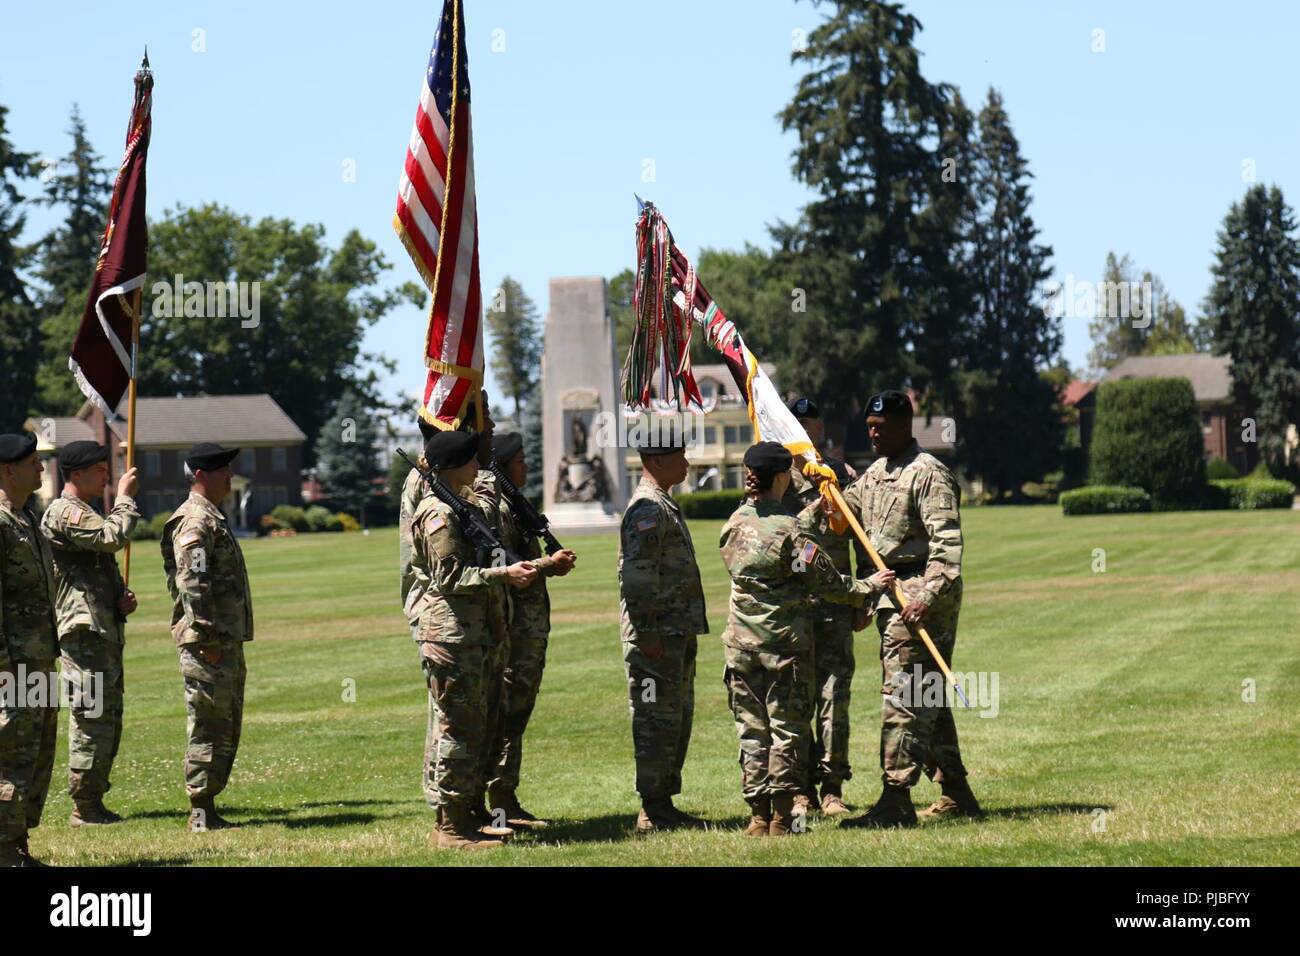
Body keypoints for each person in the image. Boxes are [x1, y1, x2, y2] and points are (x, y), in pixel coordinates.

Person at [720, 441, 893, 837]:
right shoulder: (792, 532)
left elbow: (770, 540)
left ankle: (757, 815)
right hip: (784, 648)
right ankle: (783, 817)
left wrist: (816, 511)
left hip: (741, 647)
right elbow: (829, 583)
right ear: (783, 476)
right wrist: (871, 585)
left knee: (751, 729)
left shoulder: (733, 524)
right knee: (786, 728)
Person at [839, 390, 981, 828]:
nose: (873, 434)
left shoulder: (928, 474)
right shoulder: (876, 474)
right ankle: (955, 790)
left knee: (905, 693)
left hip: (920, 592)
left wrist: (927, 596)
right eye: (869, 427)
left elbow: (947, 547)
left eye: (881, 427)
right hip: (890, 590)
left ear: (906, 425)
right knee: (927, 691)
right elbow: (846, 513)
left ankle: (895, 798)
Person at [407, 429, 537, 850]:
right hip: (451, 636)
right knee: (457, 731)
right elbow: (450, 576)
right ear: (457, 465)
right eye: (473, 462)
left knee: (477, 728)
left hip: (473, 634)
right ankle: (449, 827)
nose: (479, 468)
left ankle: (466, 817)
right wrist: (504, 574)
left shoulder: (457, 504)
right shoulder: (437, 514)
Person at [40, 441, 140, 826]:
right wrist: (126, 499)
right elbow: (111, 537)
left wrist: (120, 597)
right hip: (81, 631)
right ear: (76, 474)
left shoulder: (86, 511)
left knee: (108, 714)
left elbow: (100, 562)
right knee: (91, 713)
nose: (107, 476)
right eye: (99, 470)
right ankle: (84, 804)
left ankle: (94, 798)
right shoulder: (65, 512)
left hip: (101, 627)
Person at [618, 429, 708, 833]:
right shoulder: (647, 510)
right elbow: (636, 579)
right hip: (657, 637)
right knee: (655, 719)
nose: (686, 463)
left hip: (675, 632)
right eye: (679, 456)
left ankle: (664, 803)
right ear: (655, 461)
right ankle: (652, 808)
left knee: (675, 717)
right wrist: (648, 632)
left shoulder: (661, 504)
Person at [485, 432, 576, 828]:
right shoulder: (498, 511)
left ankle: (507, 799)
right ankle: (497, 801)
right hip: (514, 629)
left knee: (518, 714)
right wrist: (546, 565)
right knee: (506, 716)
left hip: (530, 629)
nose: (527, 465)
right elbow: (505, 568)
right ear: (504, 467)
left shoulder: (517, 506)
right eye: (520, 460)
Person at [160, 442, 253, 832]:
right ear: (200, 476)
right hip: (207, 644)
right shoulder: (195, 522)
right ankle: (200, 811)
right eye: (222, 470)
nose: (230, 475)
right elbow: (193, 584)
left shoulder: (212, 517)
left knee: (225, 725)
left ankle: (208, 807)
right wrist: (206, 638)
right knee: (207, 726)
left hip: (222, 640)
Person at [782, 397, 859, 816]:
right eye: (795, 422)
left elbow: (865, 536)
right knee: (796, 698)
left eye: (808, 423)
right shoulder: (774, 477)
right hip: (793, 604)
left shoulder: (841, 474)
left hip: (835, 602)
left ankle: (832, 788)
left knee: (834, 696)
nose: (803, 429)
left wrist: (865, 598)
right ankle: (799, 790)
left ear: (820, 427)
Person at [0, 433, 59, 866]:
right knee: (9, 756)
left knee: (35, 756)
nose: (40, 469)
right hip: (12, 666)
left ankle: (17, 844)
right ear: (7, 470)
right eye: (33, 462)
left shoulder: (24, 519)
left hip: (38, 659)